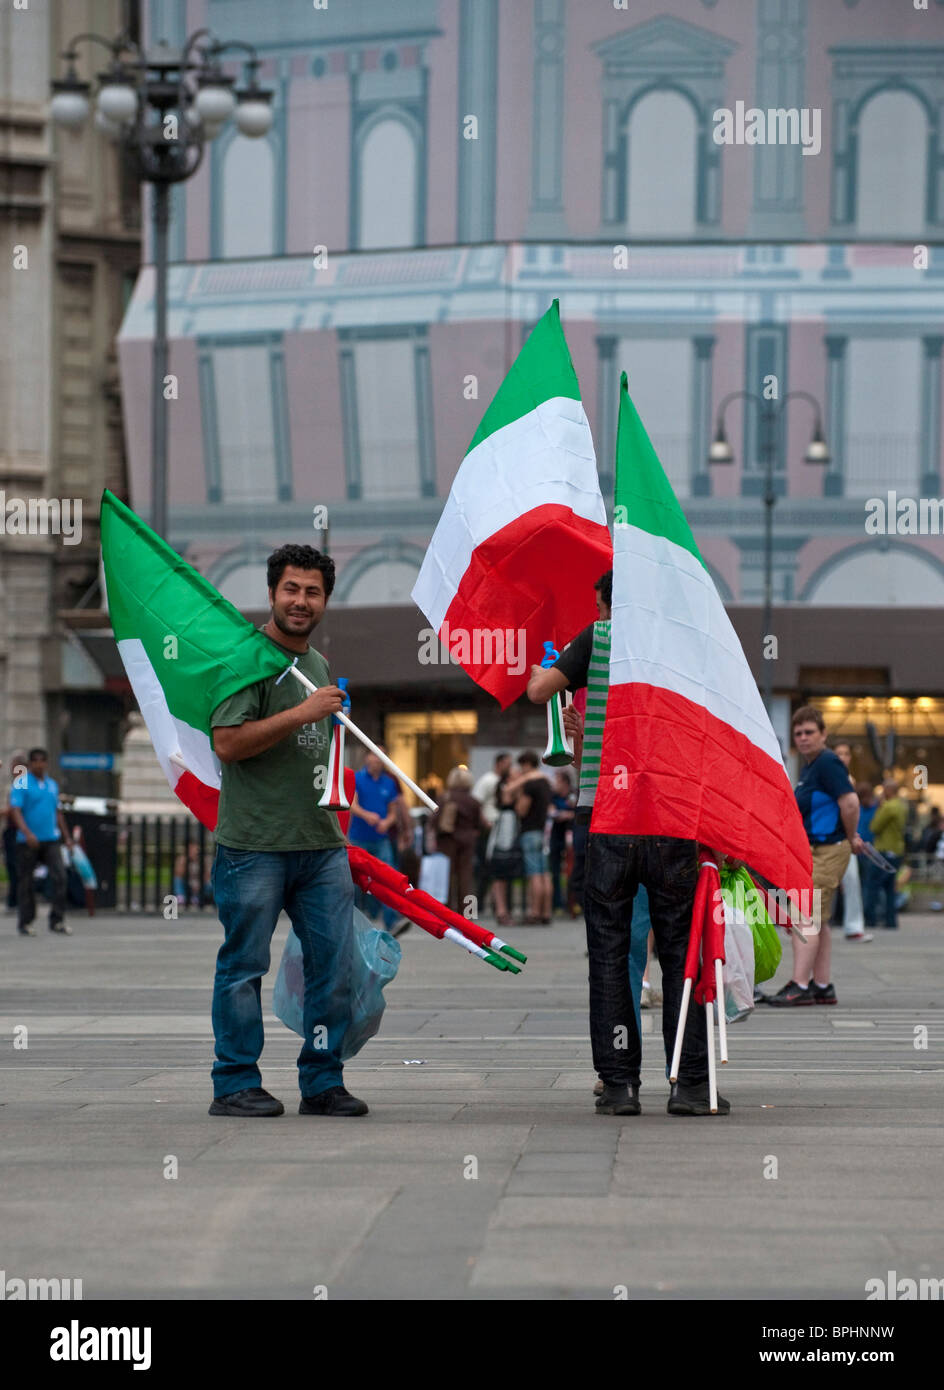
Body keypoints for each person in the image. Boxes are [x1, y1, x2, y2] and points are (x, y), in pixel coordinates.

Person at [528, 572, 705, 1119]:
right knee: (681, 951)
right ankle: (691, 1085)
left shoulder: (596, 638)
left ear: (605, 603)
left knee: (607, 951)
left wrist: (543, 673)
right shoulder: (679, 646)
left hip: (606, 816)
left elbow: (538, 691)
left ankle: (621, 1084)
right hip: (669, 816)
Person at [208, 543, 366, 1119]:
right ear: (272, 593)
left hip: (321, 846)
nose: (302, 601)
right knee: (244, 967)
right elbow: (227, 743)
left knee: (333, 968)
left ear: (326, 599)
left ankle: (322, 1081)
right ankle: (233, 1083)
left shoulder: (318, 666)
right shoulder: (244, 657)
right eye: (292, 590)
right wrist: (302, 713)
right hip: (253, 845)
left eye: (313, 592)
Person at [769, 707, 863, 1007]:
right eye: (799, 733)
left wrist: (851, 836)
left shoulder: (827, 763)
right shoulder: (811, 766)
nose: (804, 738)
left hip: (828, 849)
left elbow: (850, 801)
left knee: (803, 915)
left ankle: (799, 985)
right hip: (816, 850)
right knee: (819, 921)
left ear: (823, 734)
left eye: (810, 732)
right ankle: (822, 985)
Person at [8, 748, 74, 937]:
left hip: (50, 839)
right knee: (26, 882)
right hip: (28, 841)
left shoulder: (52, 785)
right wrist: (27, 833)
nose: (40, 764)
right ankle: (26, 921)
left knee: (60, 876)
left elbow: (57, 812)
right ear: (30, 764)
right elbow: (15, 810)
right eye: (35, 761)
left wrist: (66, 837)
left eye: (43, 761)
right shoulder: (21, 783)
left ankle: (57, 919)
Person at [348, 747, 403, 932]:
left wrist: (387, 822)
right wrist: (367, 815)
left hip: (381, 839)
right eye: (373, 755)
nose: (376, 760)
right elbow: (351, 805)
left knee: (389, 877)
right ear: (367, 758)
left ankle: (391, 921)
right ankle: (351, 923)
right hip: (358, 839)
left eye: (381, 756)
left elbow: (393, 813)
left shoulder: (389, 783)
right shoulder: (356, 778)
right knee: (353, 883)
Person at [503, 751, 552, 924]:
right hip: (543, 830)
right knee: (545, 873)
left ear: (526, 764)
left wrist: (517, 800)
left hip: (530, 831)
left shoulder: (530, 784)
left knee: (534, 874)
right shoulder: (545, 782)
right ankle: (546, 912)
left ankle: (535, 912)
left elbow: (521, 809)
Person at [832, 741, 871, 944]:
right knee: (819, 884)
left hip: (846, 838)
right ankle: (807, 924)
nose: (843, 757)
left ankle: (854, 928)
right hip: (828, 838)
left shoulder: (850, 779)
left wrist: (853, 834)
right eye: (839, 753)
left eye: (846, 753)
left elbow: (851, 811)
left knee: (852, 881)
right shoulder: (827, 776)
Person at [431, 766, 483, 913]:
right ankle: (468, 912)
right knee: (466, 876)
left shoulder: (444, 797)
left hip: (447, 841)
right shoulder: (473, 801)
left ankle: (445, 910)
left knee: (446, 876)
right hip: (467, 841)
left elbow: (434, 821)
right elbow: (478, 823)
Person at [866, 779, 908, 931]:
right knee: (890, 888)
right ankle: (891, 920)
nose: (881, 793)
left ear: (889, 791)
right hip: (897, 850)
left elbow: (874, 826)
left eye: (883, 790)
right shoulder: (902, 806)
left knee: (873, 885)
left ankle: (870, 918)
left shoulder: (888, 807)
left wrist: (879, 806)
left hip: (884, 850)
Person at [472, 752, 512, 909]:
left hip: (499, 827)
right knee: (485, 865)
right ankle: (479, 902)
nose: (510, 767)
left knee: (496, 865)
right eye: (507, 764)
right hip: (489, 828)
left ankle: (494, 903)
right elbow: (477, 802)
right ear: (499, 763)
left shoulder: (503, 782)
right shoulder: (488, 780)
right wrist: (484, 822)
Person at [548, 770, 575, 914]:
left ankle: (572, 903)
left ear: (564, 782)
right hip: (556, 835)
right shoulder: (553, 796)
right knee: (555, 871)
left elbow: (578, 812)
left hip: (571, 835)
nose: (554, 784)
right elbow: (551, 811)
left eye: (557, 781)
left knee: (572, 870)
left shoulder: (573, 794)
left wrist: (568, 815)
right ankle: (557, 903)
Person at [3, 754, 27, 911]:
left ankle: (15, 900)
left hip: (17, 831)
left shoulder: (22, 784)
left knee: (15, 866)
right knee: (13, 866)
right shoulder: (17, 784)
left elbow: (15, 810)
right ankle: (14, 899)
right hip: (12, 830)